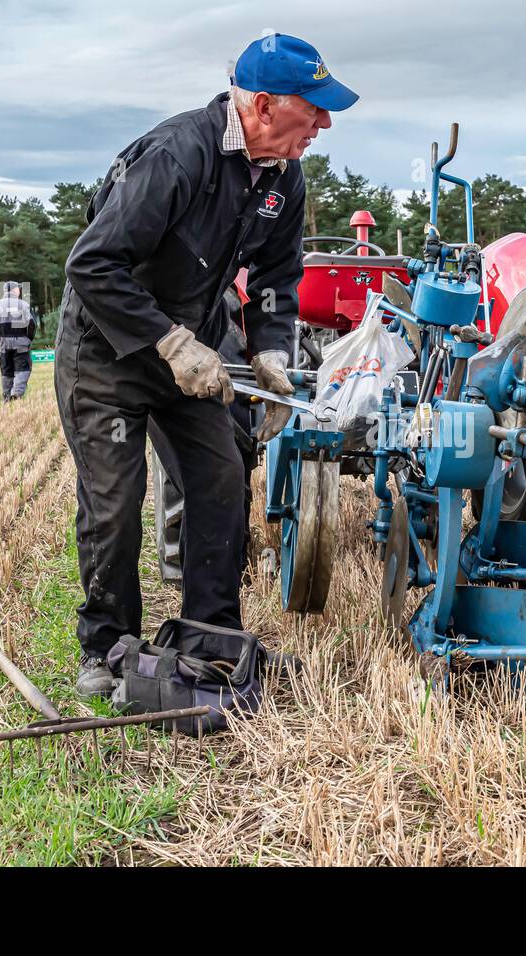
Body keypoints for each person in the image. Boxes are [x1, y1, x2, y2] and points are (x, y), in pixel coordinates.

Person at [57, 33, 358, 698]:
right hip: (108, 351)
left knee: (220, 477)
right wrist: (168, 343)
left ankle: (210, 637)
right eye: (314, 107)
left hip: (192, 352)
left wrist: (271, 350)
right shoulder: (176, 155)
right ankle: (106, 648)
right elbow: (90, 264)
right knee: (115, 502)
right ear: (264, 105)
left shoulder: (285, 177)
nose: (325, 123)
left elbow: (279, 274)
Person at [0, 281, 37, 401]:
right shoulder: (23, 305)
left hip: (4, 344)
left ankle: (7, 397)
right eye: (18, 289)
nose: (19, 291)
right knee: (22, 368)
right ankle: (17, 394)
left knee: (6, 371)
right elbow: (32, 324)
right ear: (14, 291)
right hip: (21, 343)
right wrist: (28, 338)